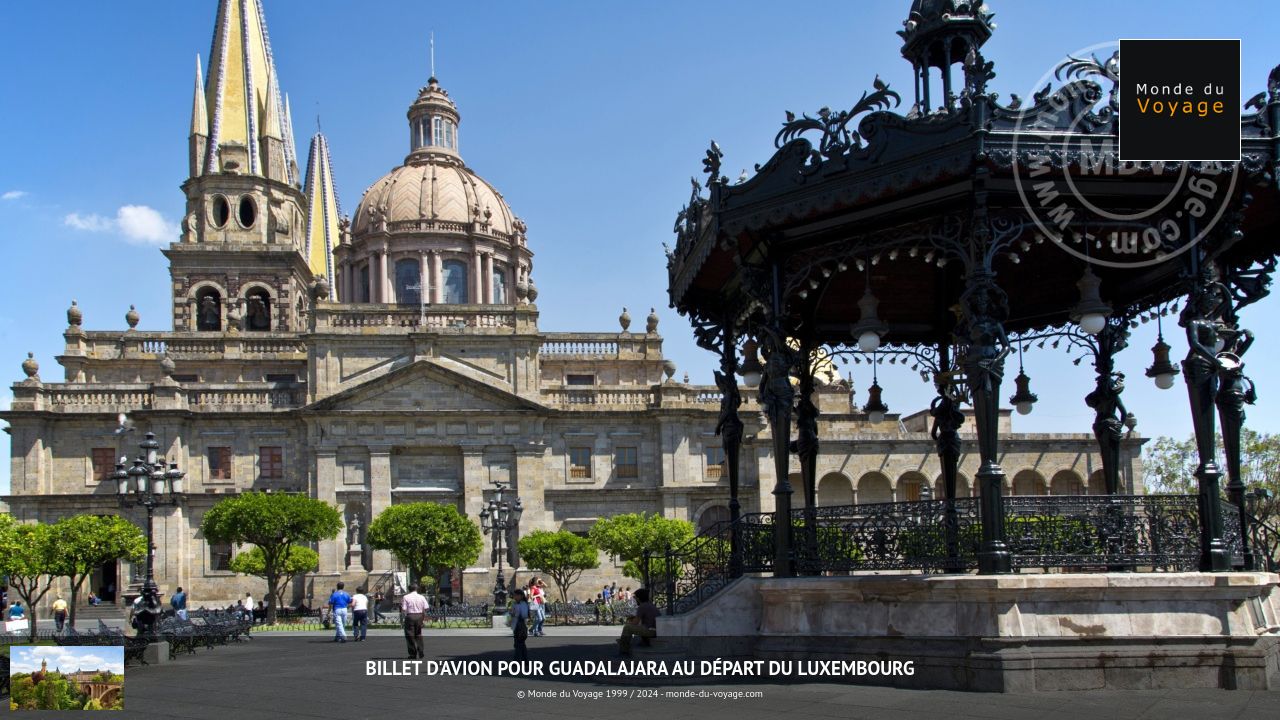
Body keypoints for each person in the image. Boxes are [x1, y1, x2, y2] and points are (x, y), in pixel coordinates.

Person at [618, 588, 659, 655]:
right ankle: (642, 642)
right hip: (654, 629)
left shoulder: (642, 606)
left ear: (639, 598)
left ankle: (624, 650)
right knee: (635, 626)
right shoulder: (650, 605)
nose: (635, 599)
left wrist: (629, 621)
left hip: (651, 631)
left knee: (627, 628)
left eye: (635, 598)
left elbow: (635, 622)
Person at [401, 583, 428, 659]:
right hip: (420, 615)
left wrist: (403, 618)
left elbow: (404, 609)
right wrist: (423, 617)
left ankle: (413, 653)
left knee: (410, 635)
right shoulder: (421, 597)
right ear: (417, 589)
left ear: (409, 589)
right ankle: (421, 650)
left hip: (410, 616)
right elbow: (426, 607)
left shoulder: (406, 597)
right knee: (419, 634)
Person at [509, 589, 530, 661]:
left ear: (520, 596)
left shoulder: (523, 604)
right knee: (521, 644)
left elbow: (524, 615)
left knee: (518, 644)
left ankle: (516, 661)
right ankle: (525, 660)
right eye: (514, 595)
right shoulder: (515, 603)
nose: (514, 597)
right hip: (516, 626)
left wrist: (514, 614)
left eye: (515, 595)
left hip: (521, 626)